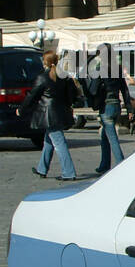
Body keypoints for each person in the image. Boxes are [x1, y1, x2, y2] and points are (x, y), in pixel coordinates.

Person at [21, 51, 79, 182]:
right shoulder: (63, 76)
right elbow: (72, 94)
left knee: (59, 143)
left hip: (48, 114)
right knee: (48, 141)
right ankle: (42, 168)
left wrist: (22, 109)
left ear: (45, 62)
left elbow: (32, 96)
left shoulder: (42, 77)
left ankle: (69, 172)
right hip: (60, 112)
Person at [95, 43, 134, 175]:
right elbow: (124, 89)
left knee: (112, 138)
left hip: (106, 106)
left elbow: (94, 87)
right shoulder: (116, 68)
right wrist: (129, 109)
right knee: (104, 135)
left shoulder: (101, 68)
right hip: (116, 105)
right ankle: (104, 164)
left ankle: (121, 165)